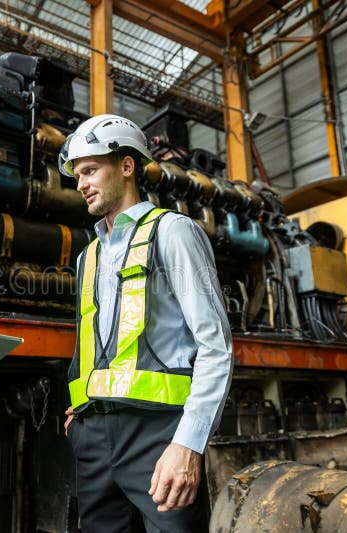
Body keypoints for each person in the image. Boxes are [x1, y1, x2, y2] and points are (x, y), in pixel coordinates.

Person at [60, 114, 233, 532]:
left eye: (90, 170)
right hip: (94, 438)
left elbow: (215, 346)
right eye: (76, 174)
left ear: (126, 166)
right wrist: (82, 409)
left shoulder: (172, 232)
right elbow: (100, 346)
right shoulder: (89, 256)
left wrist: (188, 444)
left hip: (159, 437)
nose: (81, 183)